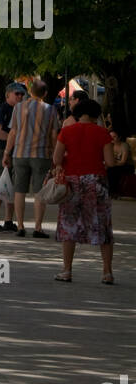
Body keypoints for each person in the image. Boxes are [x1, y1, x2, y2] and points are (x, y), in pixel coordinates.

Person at [52, 98, 115, 283]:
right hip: (97, 182)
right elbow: (110, 162)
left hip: (72, 182)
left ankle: (67, 270)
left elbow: (56, 158)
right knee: (103, 226)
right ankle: (107, 272)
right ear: (95, 115)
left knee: (69, 225)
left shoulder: (66, 131)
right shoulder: (103, 133)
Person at [2, 79, 58, 237]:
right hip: (42, 155)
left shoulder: (18, 108)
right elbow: (54, 135)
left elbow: (13, 132)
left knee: (19, 190)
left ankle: (20, 226)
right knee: (40, 192)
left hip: (19, 154)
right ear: (45, 93)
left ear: (30, 92)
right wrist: (55, 156)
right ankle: (38, 227)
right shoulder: (50, 110)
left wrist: (7, 152)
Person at [0, 83, 26, 232]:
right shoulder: (1, 110)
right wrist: (15, 142)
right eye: (17, 94)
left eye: (22, 94)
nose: (20, 97)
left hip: (14, 152)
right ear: (8, 94)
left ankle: (8, 220)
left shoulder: (20, 110)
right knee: (0, 185)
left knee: (12, 188)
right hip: (1, 151)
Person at [107, 131, 135, 198]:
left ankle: (113, 191)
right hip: (115, 165)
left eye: (114, 137)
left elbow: (123, 162)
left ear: (119, 137)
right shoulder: (110, 145)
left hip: (127, 166)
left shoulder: (124, 145)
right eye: (110, 136)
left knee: (112, 170)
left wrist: (111, 164)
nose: (112, 138)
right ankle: (108, 190)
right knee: (108, 169)